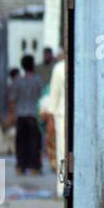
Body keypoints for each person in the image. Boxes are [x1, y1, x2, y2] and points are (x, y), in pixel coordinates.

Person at [9, 54, 45, 174]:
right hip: (34, 115)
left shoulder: (18, 81)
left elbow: (12, 99)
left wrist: (13, 114)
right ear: (32, 65)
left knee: (21, 142)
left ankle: (21, 166)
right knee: (35, 142)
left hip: (21, 114)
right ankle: (35, 167)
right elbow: (43, 97)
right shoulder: (38, 80)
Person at [39, 48, 68, 197]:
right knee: (65, 153)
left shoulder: (60, 68)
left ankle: (63, 186)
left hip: (62, 116)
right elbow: (54, 97)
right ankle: (63, 186)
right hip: (62, 117)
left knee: (64, 153)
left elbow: (54, 98)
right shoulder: (60, 68)